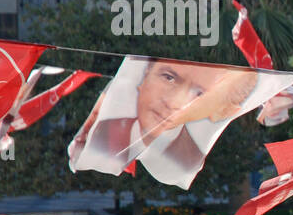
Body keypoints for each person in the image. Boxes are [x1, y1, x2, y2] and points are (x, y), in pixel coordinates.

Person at [69, 58, 259, 187]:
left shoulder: (186, 161)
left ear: (223, 111)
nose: (173, 102)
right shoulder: (103, 133)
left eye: (199, 94)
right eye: (168, 78)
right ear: (146, 73)